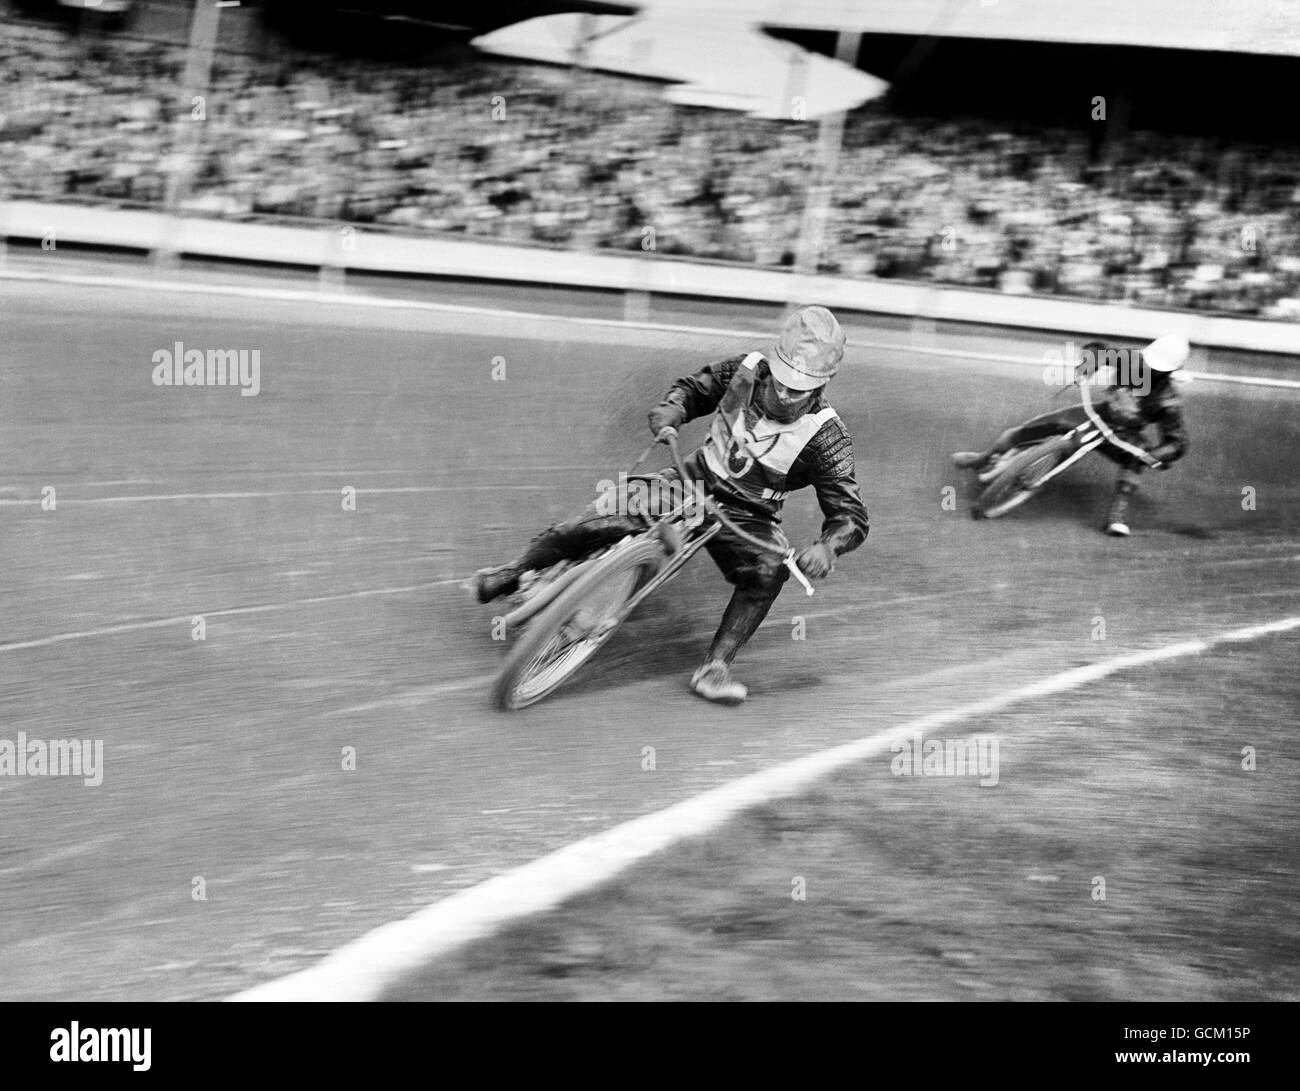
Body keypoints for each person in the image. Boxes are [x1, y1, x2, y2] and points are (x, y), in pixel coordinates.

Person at [473, 305, 870, 703]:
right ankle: (517, 570)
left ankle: (715, 668)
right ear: (774, 360)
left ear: (822, 383)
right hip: (689, 477)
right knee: (594, 520)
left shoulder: (828, 437)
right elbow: (695, 389)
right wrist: (674, 408)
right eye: (781, 380)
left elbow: (850, 516)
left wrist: (828, 545)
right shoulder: (746, 369)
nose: (783, 394)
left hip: (747, 516)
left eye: (798, 390)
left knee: (768, 573)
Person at [951, 334, 1190, 536]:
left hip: (1125, 434)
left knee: (1135, 459)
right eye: (1150, 363)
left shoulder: (1169, 401)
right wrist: (1085, 369)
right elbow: (1097, 350)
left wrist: (1154, 456)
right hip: (1099, 414)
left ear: (1171, 372)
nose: (1151, 370)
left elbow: (1177, 442)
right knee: (1032, 427)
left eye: (1159, 369)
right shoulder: (1131, 360)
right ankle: (983, 458)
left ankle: (1117, 514)